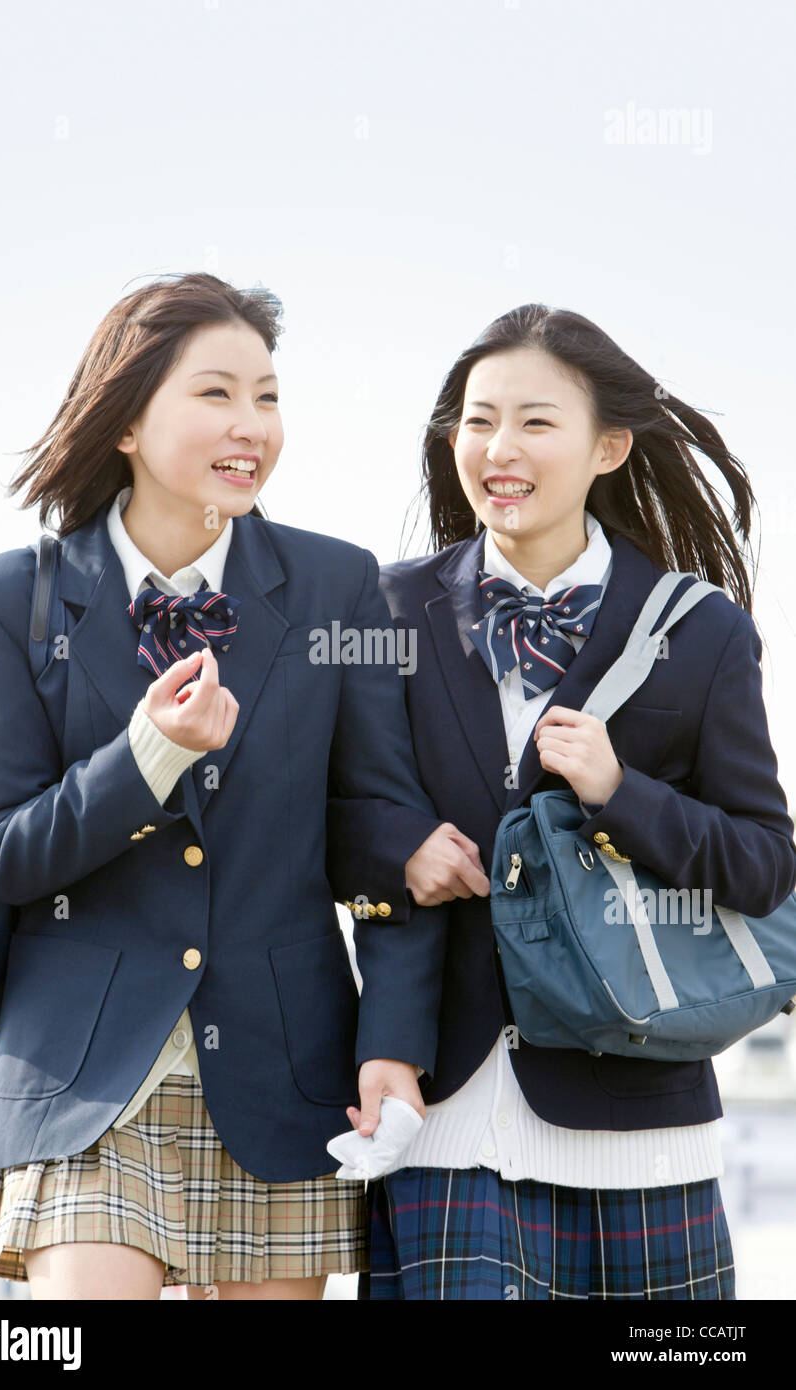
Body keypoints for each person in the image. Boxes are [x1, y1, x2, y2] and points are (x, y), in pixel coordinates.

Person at [0, 271, 446, 1300]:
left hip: (282, 1071)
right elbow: (2, 854)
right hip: (85, 1078)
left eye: (267, 396)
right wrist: (148, 757)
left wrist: (393, 1046)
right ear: (127, 419)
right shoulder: (5, 601)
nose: (252, 425)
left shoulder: (336, 587)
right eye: (216, 393)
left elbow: (382, 835)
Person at [328, 303, 796, 1300]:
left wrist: (618, 792)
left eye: (534, 421)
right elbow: (337, 815)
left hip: (646, 1129)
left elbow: (762, 866)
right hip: (443, 1120)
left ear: (608, 446)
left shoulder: (700, 630)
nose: (498, 447)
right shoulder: (385, 608)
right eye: (476, 419)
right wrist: (398, 851)